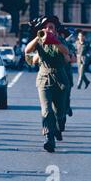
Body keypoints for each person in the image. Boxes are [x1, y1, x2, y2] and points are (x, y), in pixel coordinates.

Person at [25, 16, 69, 153]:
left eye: (51, 27)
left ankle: (59, 123)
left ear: (55, 30)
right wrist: (38, 38)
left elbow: (66, 52)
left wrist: (54, 41)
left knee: (60, 111)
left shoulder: (60, 40)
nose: (48, 29)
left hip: (60, 78)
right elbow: (27, 51)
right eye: (45, 27)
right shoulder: (39, 40)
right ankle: (49, 138)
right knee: (47, 109)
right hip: (44, 77)